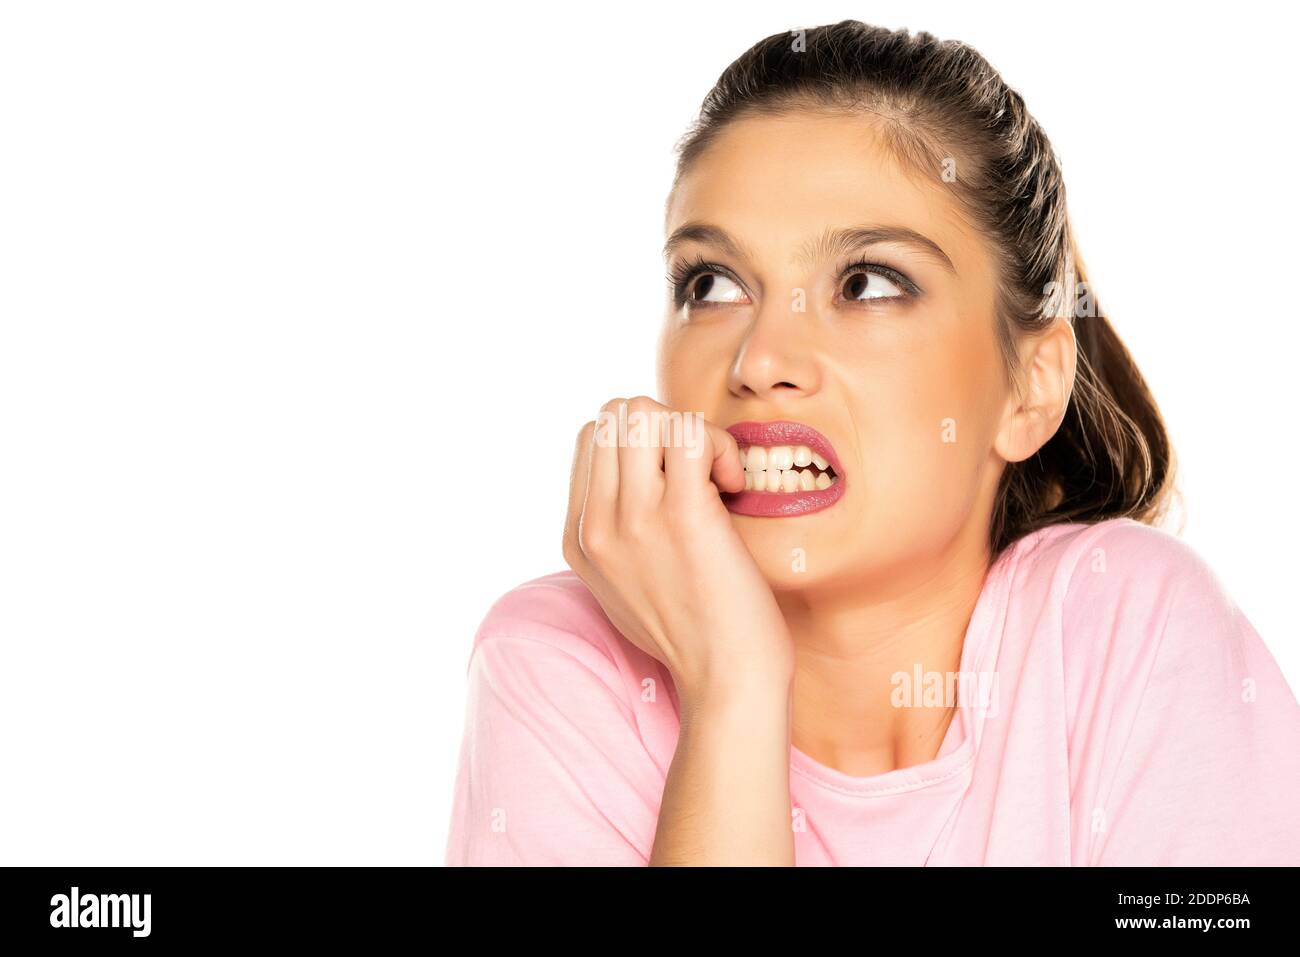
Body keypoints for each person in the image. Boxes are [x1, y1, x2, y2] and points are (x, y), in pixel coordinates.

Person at [445, 20, 1300, 866]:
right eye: (712, 283)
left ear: (1030, 386)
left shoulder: (1127, 622)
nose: (760, 360)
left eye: (867, 283)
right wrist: (732, 690)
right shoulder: (558, 663)